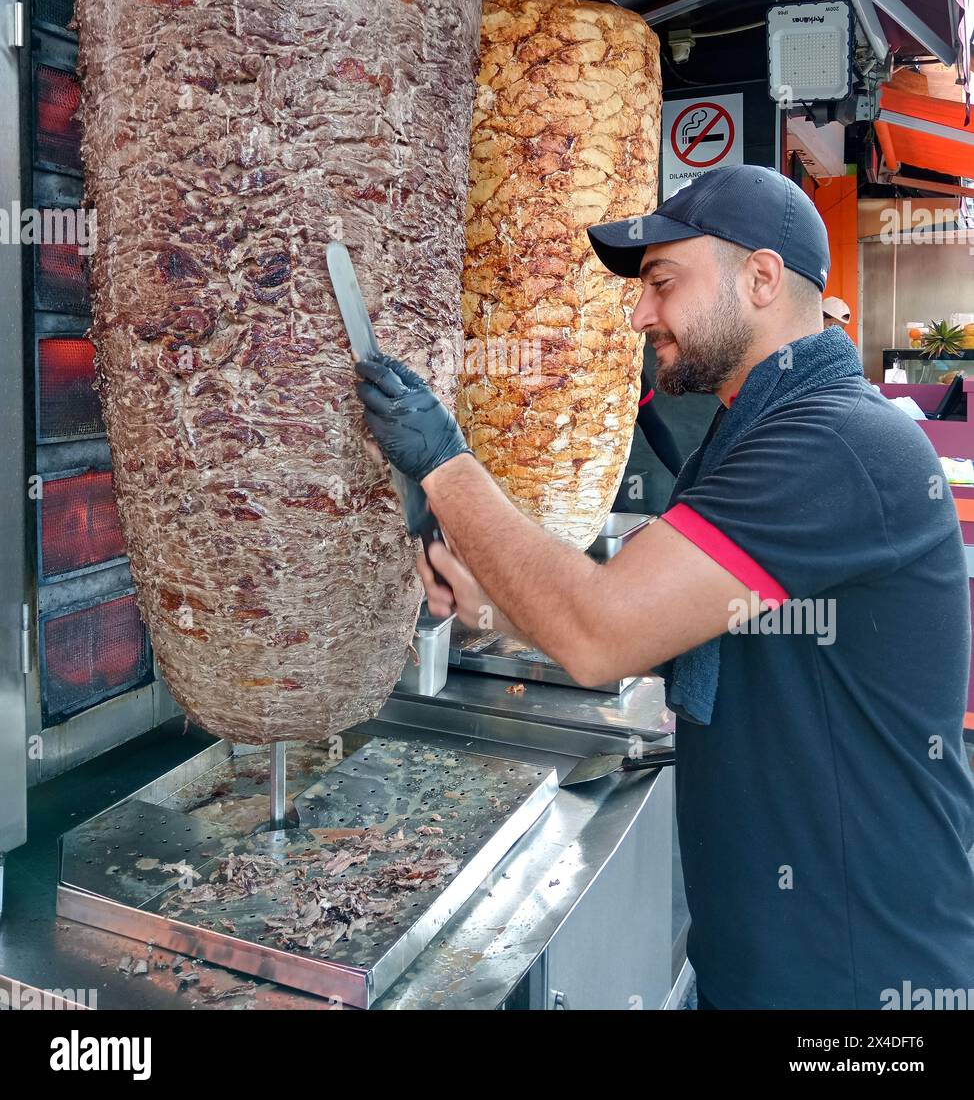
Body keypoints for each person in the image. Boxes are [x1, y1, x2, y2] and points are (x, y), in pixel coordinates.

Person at [354, 163, 974, 1011]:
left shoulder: (835, 445)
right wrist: (489, 597)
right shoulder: (761, 430)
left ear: (760, 277)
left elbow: (601, 629)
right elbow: (652, 614)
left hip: (855, 979)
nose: (642, 313)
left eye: (662, 281)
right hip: (763, 961)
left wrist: (444, 464)